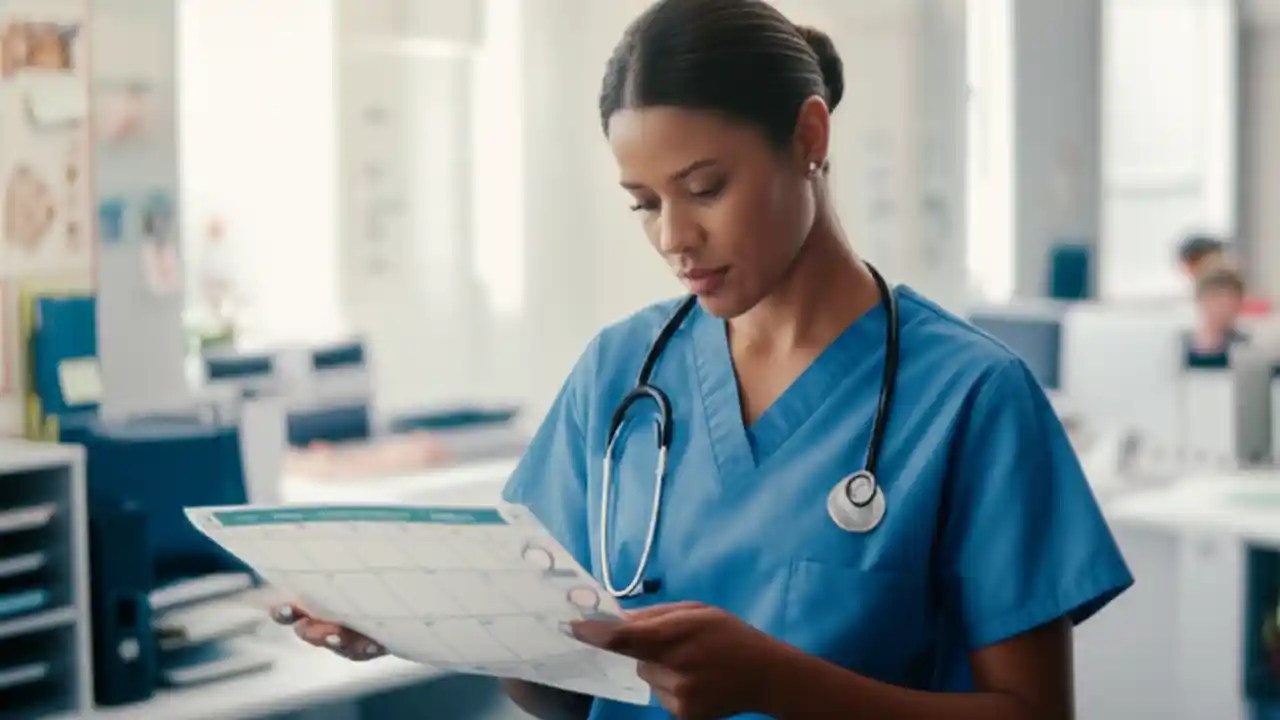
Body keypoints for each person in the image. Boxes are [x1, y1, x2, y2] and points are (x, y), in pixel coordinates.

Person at [276, 1, 1133, 718]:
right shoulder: (619, 375)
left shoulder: (970, 398)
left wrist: (778, 684)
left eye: (705, 189)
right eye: (644, 203)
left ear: (808, 135)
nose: (674, 239)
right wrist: (410, 623)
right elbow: (560, 694)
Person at [1185, 266, 1249, 367]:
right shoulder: (1181, 347)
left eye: (1229, 303)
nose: (1222, 310)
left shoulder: (1246, 347)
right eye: (1215, 299)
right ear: (1201, 300)